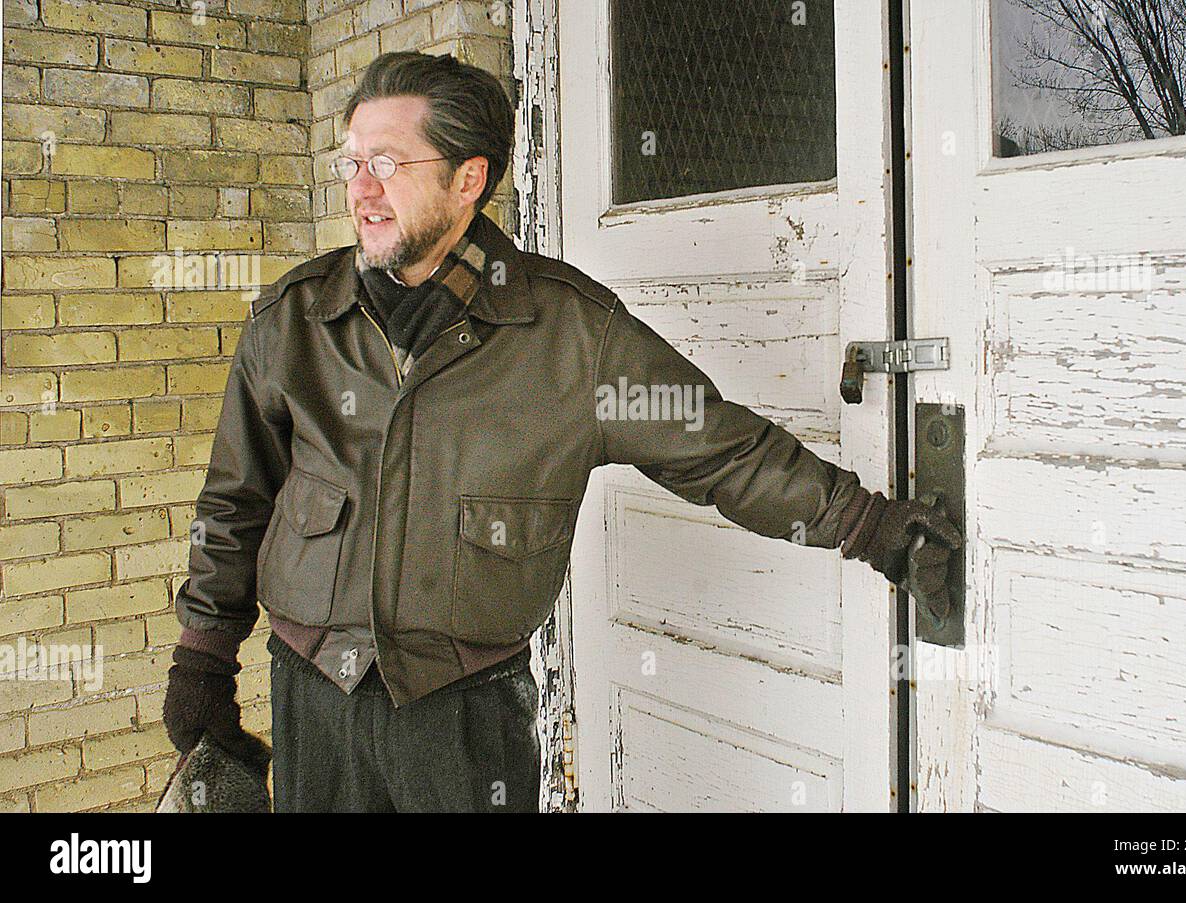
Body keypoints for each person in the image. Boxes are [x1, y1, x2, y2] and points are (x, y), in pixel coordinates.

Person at [162, 51, 962, 813]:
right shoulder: (296, 318)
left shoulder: (571, 335)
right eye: (351, 162)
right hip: (314, 693)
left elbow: (721, 450)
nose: (360, 189)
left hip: (463, 713)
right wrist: (203, 655)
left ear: (467, 178)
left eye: (386, 163)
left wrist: (870, 526)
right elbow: (236, 498)